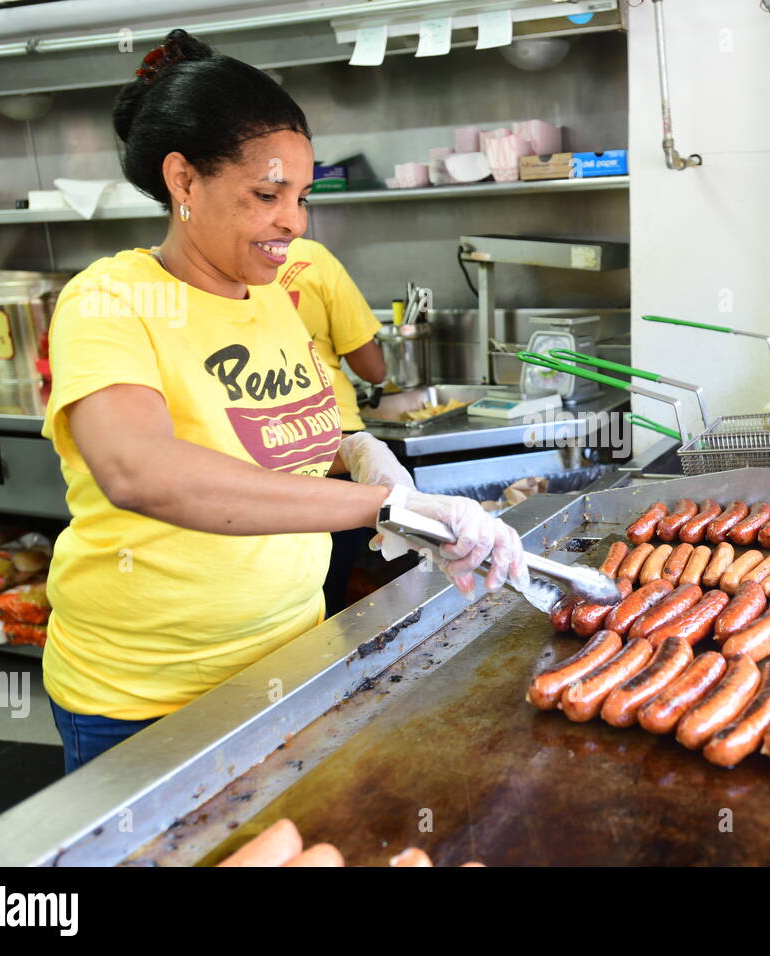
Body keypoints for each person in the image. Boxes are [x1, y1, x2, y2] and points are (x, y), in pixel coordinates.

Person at [39, 29, 527, 774]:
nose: (294, 222)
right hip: (147, 701)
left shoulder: (269, 298)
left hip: (291, 658)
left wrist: (362, 454)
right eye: (267, 196)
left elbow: (291, 432)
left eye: (300, 197)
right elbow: (140, 470)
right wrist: (382, 509)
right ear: (184, 182)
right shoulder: (111, 299)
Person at [275, 238, 390, 616]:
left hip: (273, 448)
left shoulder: (213, 274)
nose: (294, 219)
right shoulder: (313, 258)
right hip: (329, 432)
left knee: (293, 589)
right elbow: (373, 370)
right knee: (330, 591)